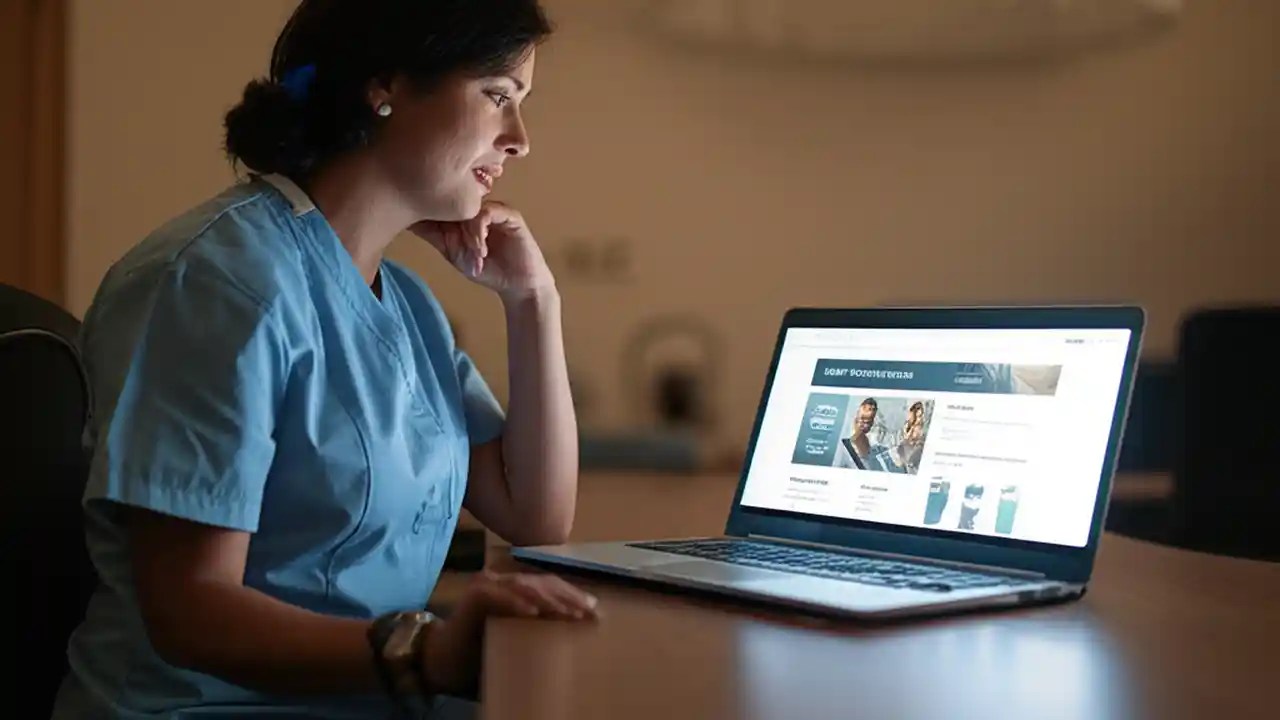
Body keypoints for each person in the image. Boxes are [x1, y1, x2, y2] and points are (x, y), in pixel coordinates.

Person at [51, 1, 599, 718]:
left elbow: (534, 514)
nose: (520, 140)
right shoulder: (219, 280)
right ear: (387, 87)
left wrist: (534, 301)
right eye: (498, 96)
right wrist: (427, 653)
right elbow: (189, 610)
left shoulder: (406, 306)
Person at [834, 398, 905, 473]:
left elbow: (892, 442)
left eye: (869, 421)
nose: (865, 424)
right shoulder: (847, 435)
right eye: (863, 419)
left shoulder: (878, 434)